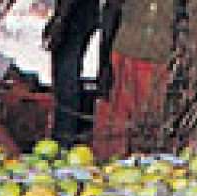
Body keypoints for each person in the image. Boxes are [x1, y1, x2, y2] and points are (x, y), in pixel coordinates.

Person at [92, 0, 179, 158]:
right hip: (124, 55)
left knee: (150, 128)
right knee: (114, 130)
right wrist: (104, 64)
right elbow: (111, 12)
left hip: (160, 62)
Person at [42, 0, 100, 145]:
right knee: (66, 79)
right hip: (80, 14)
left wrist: (60, 19)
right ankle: (66, 136)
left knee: (65, 81)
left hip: (75, 16)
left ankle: (64, 139)